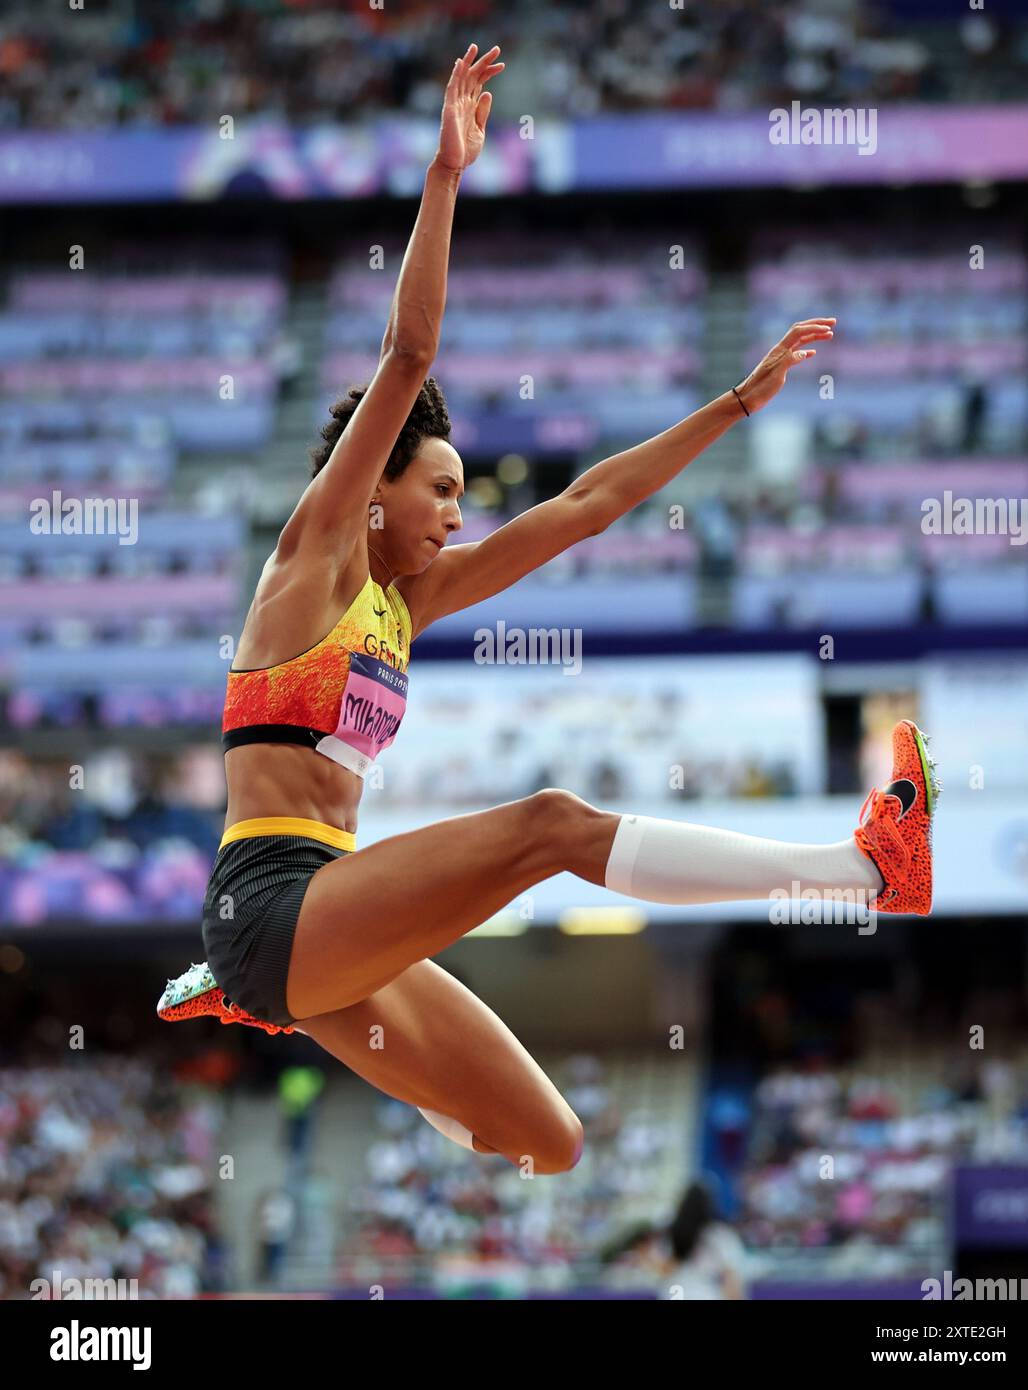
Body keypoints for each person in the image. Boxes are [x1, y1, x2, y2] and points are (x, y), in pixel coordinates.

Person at [159, 42, 938, 1175]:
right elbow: (409, 348)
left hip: (331, 925)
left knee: (552, 1142)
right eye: (438, 493)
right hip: (274, 899)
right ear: (370, 487)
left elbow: (583, 506)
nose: (455, 518)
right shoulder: (315, 553)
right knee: (551, 825)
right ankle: (862, 870)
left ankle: (262, 1003)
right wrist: (444, 177)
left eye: (462, 501)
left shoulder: (404, 602)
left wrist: (734, 402)